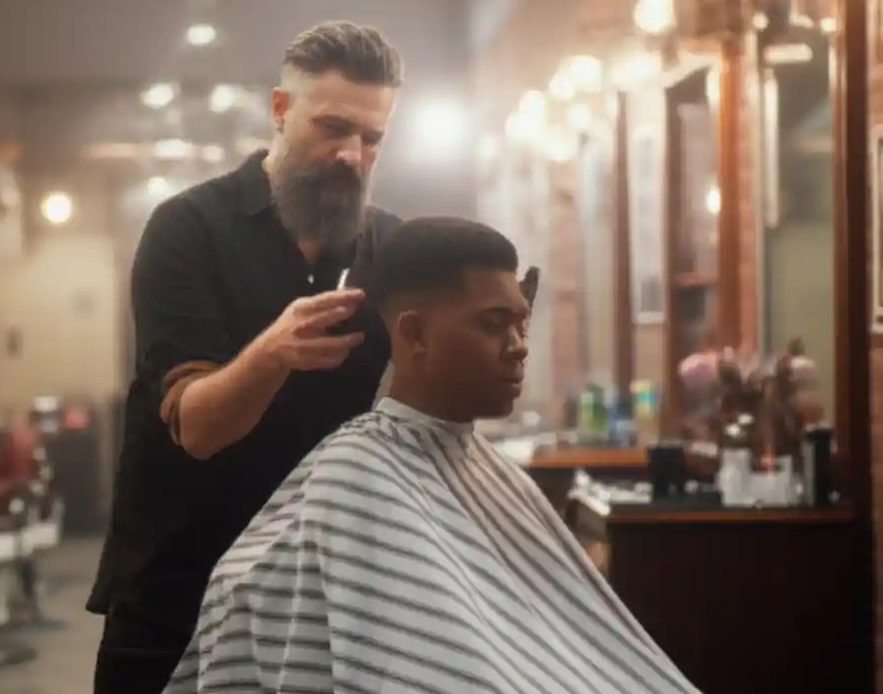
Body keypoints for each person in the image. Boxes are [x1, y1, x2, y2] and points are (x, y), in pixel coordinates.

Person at [165, 217, 700, 694]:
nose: (518, 346)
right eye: (493, 324)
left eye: (522, 324)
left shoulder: (483, 467)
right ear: (414, 334)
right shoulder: (357, 476)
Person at [89, 21, 405, 693]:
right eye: (332, 128)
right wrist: (272, 353)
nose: (351, 155)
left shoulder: (390, 248)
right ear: (281, 111)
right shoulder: (188, 230)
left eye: (370, 139)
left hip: (324, 597)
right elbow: (198, 429)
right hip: (182, 589)